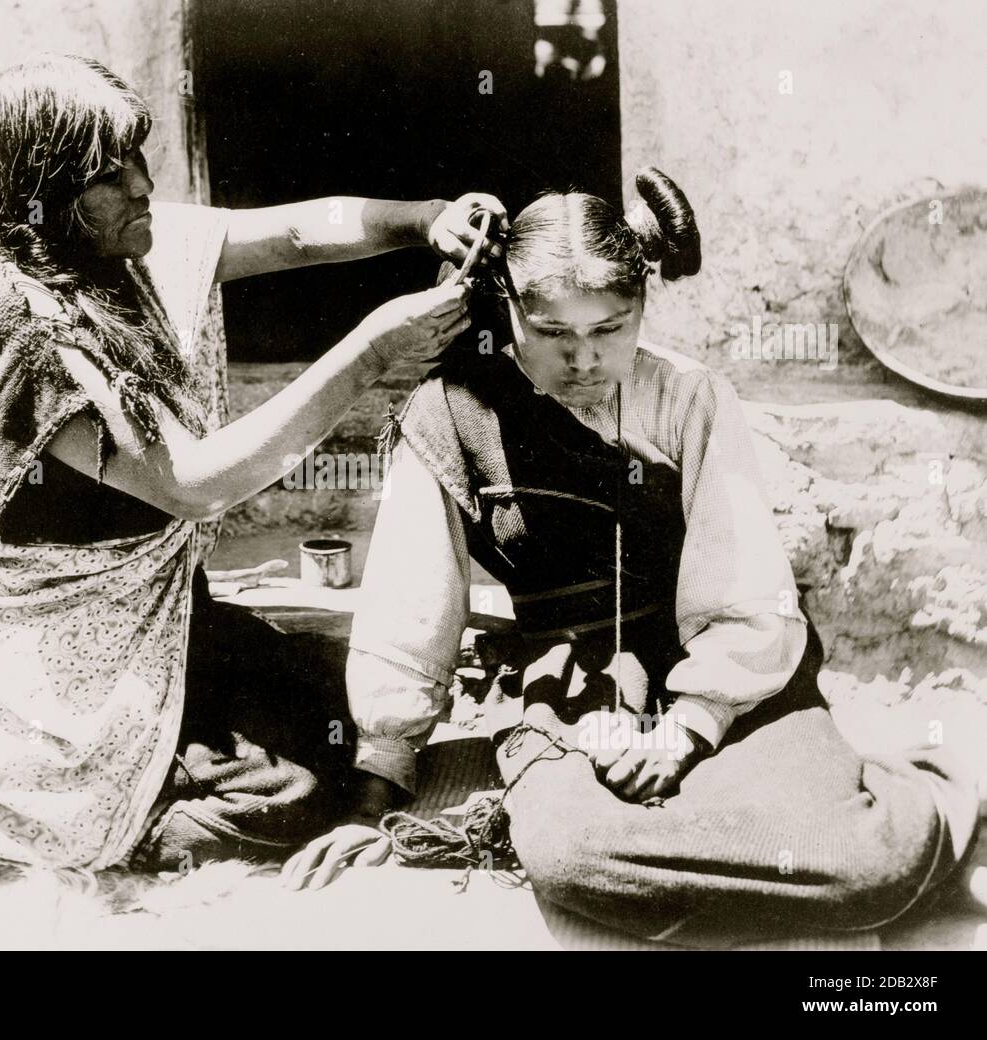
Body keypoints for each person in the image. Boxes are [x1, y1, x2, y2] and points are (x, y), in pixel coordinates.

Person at [282, 168, 981, 948]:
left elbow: (746, 588)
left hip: (726, 678)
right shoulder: (452, 411)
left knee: (861, 866)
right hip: (568, 685)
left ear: (642, 305)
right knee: (573, 857)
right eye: (554, 333)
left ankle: (929, 798)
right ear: (507, 305)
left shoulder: (688, 396)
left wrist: (690, 726)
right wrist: (376, 791)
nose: (584, 359)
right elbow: (411, 606)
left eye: (610, 329)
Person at [0, 53, 508, 878]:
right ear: (44, 195)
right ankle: (128, 820)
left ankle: (185, 745)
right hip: (50, 673)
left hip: (152, 620)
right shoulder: (9, 326)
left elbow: (296, 233)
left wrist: (427, 219)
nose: (142, 185)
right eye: (107, 174)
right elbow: (196, 485)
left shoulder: (110, 249)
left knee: (340, 698)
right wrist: (370, 355)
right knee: (295, 796)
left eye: (136, 157)